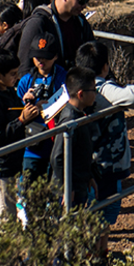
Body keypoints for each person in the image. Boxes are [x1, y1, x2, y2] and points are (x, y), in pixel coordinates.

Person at [76, 40, 134, 233]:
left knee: (93, 209)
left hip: (87, 162)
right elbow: (133, 97)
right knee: (104, 210)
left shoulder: (74, 90)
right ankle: (97, 253)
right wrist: (133, 87)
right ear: (105, 67)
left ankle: (98, 252)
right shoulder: (103, 88)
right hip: (107, 163)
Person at [0, 49, 40, 224]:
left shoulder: (8, 91)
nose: (16, 77)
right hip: (0, 168)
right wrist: (21, 120)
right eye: (12, 74)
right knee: (6, 218)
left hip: (12, 163)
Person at [17, 0, 94, 77]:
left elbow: (94, 56)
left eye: (87, 1)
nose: (84, 6)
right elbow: (24, 67)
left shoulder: (81, 22)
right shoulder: (38, 23)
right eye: (81, 1)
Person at [48, 66, 103, 215]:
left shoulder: (78, 115)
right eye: (93, 90)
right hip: (69, 190)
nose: (96, 94)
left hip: (78, 183)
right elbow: (57, 157)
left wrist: (89, 175)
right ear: (81, 94)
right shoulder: (69, 120)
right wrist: (66, 187)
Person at [16, 37, 67, 188]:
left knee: (53, 188)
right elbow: (16, 111)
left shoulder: (63, 77)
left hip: (55, 143)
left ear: (56, 56)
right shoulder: (26, 81)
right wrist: (28, 104)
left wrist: (47, 107)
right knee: (26, 187)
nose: (41, 61)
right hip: (31, 146)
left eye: (46, 56)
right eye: (37, 57)